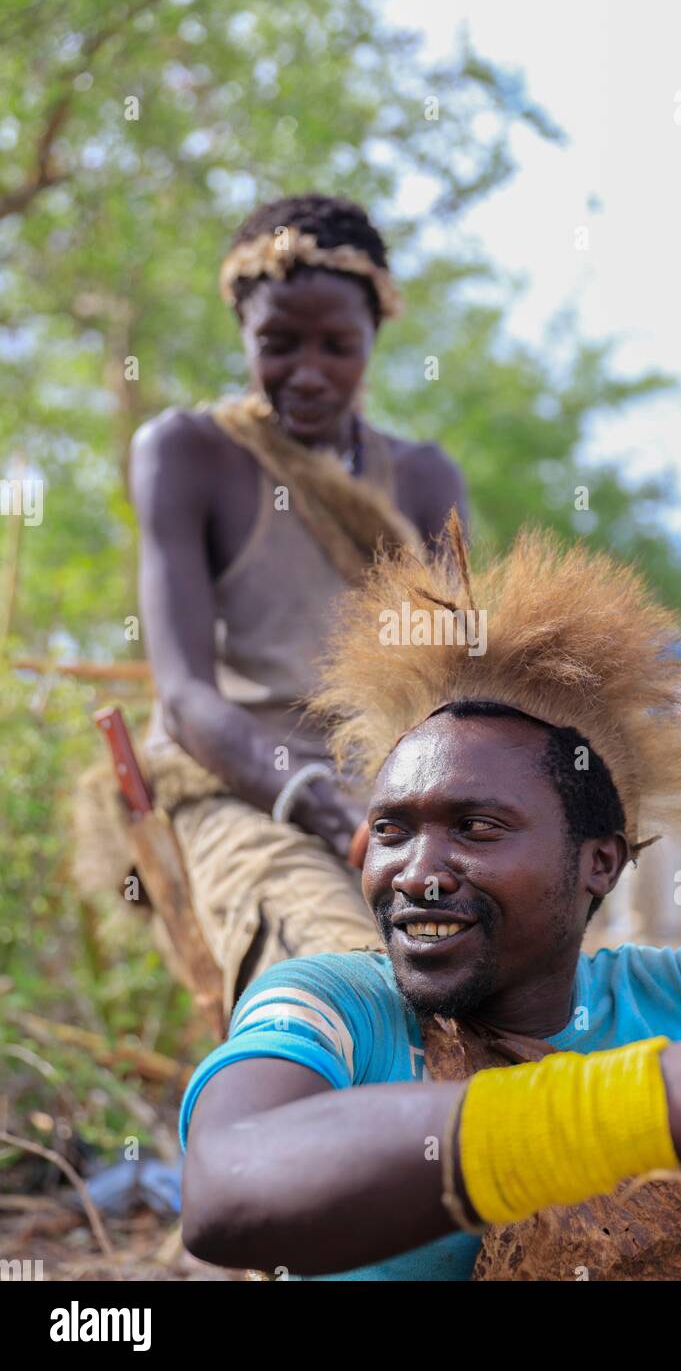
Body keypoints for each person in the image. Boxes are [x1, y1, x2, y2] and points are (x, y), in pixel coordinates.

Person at [178, 521, 681, 1280]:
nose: (418, 872)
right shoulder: (337, 1008)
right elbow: (224, 1187)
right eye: (392, 830)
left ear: (597, 863)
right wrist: (657, 1105)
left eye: (476, 826)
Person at [127, 193, 467, 1013]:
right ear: (243, 331)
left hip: (394, 799)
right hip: (243, 791)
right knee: (355, 994)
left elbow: (454, 681)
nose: (308, 372)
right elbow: (184, 694)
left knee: (502, 999)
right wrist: (318, 802)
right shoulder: (189, 454)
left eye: (336, 347)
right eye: (278, 344)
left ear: (373, 342)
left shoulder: (421, 478)